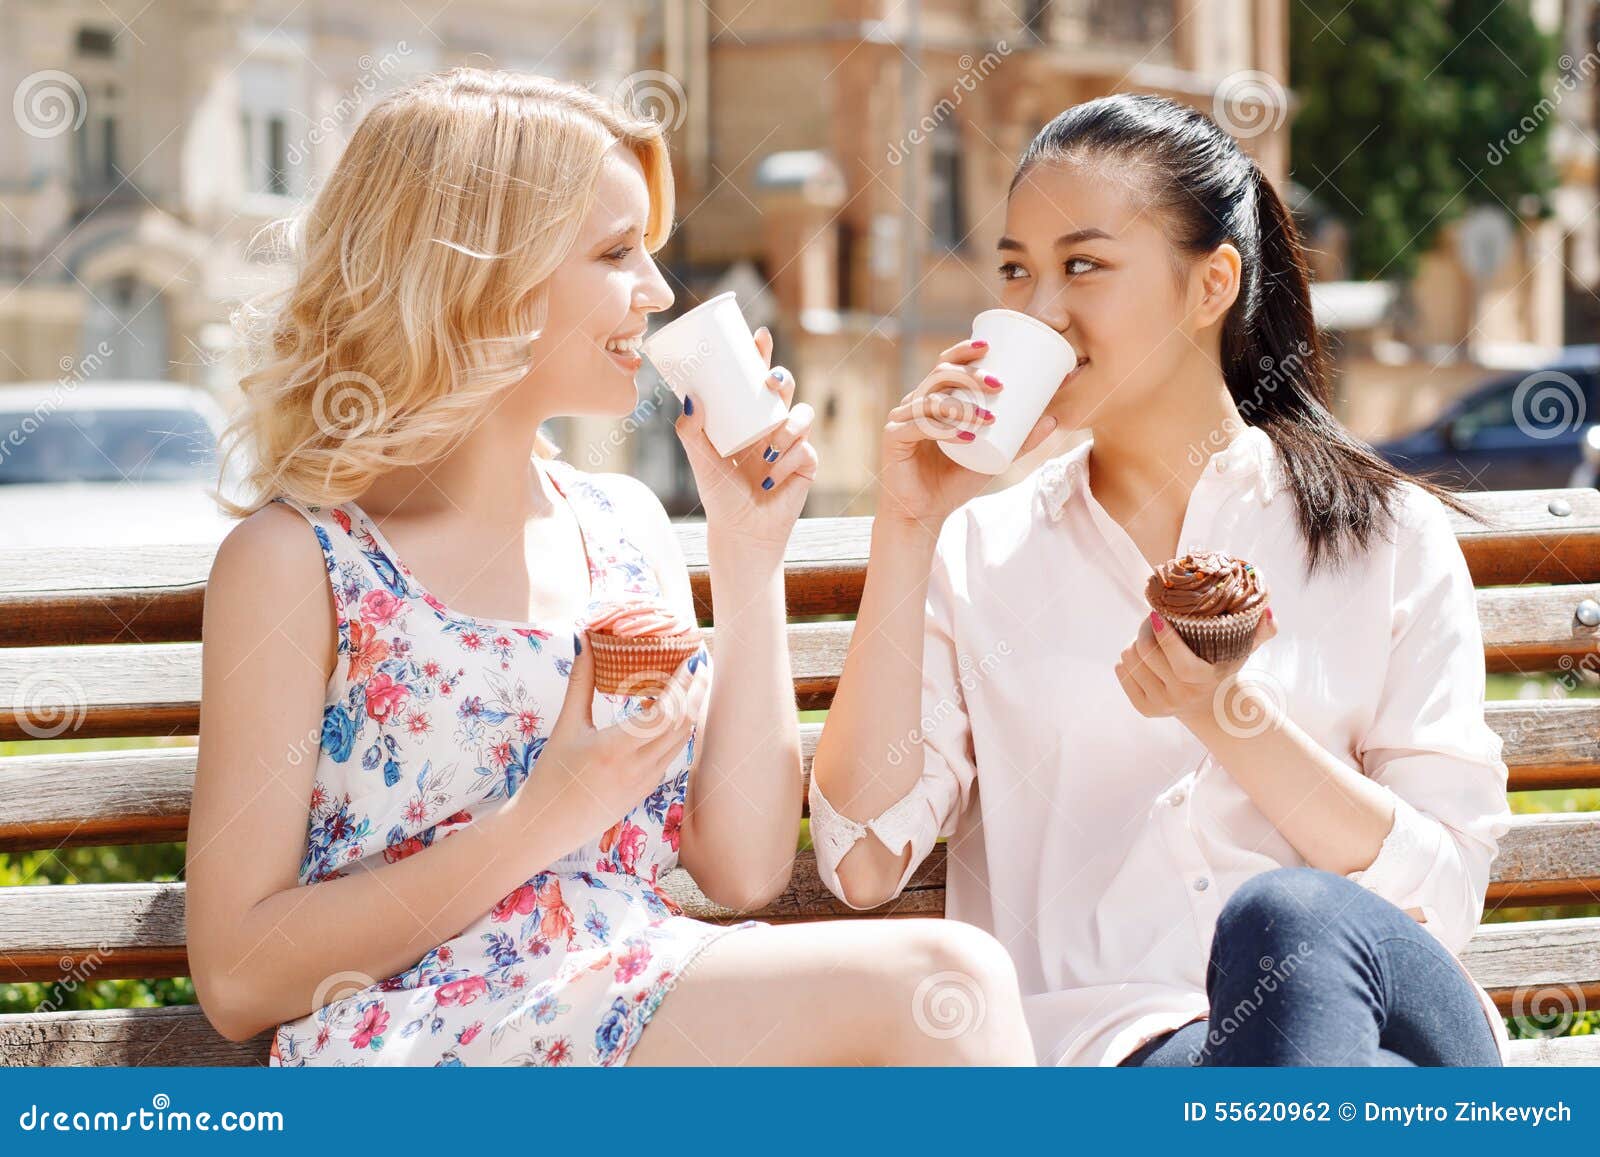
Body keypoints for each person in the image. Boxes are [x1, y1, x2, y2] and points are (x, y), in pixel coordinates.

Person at [185, 68, 1034, 1067]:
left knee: (945, 992)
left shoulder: (625, 525)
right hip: (425, 1038)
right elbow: (236, 979)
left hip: (632, 997)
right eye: (615, 252)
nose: (660, 291)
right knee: (942, 982)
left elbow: (744, 866)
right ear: (482, 276)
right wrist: (543, 817)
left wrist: (747, 555)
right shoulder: (299, 561)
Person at [809, 93, 1513, 1067]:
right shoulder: (977, 555)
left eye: (1082, 266)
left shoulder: (1384, 535)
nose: (1039, 310)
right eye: (1015, 271)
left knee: (1289, 918)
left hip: (1393, 1014)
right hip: (1131, 1056)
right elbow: (859, 858)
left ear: (1210, 283)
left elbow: (1445, 889)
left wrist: (1229, 719)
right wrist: (908, 524)